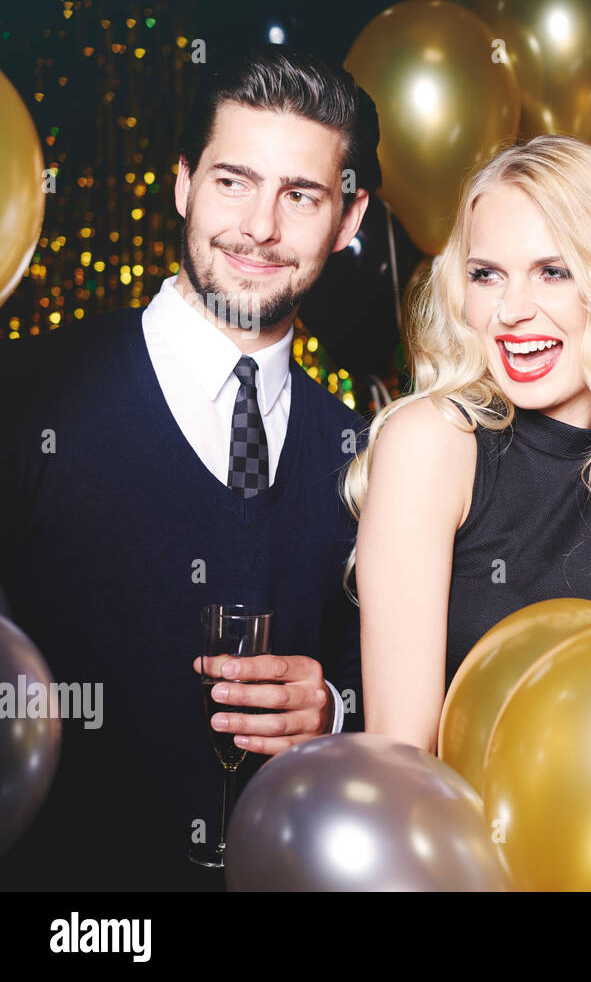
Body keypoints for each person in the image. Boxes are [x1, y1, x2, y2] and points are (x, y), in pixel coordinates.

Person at [0, 47, 375, 889]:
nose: (260, 227)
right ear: (184, 185)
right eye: (233, 181)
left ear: (348, 222)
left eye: (301, 195)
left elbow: (391, 700)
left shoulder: (369, 454)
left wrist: (331, 713)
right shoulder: (23, 396)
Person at [345, 135, 591, 754]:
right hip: (451, 840)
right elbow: (401, 758)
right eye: (487, 275)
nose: (512, 310)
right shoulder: (432, 445)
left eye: (553, 272)